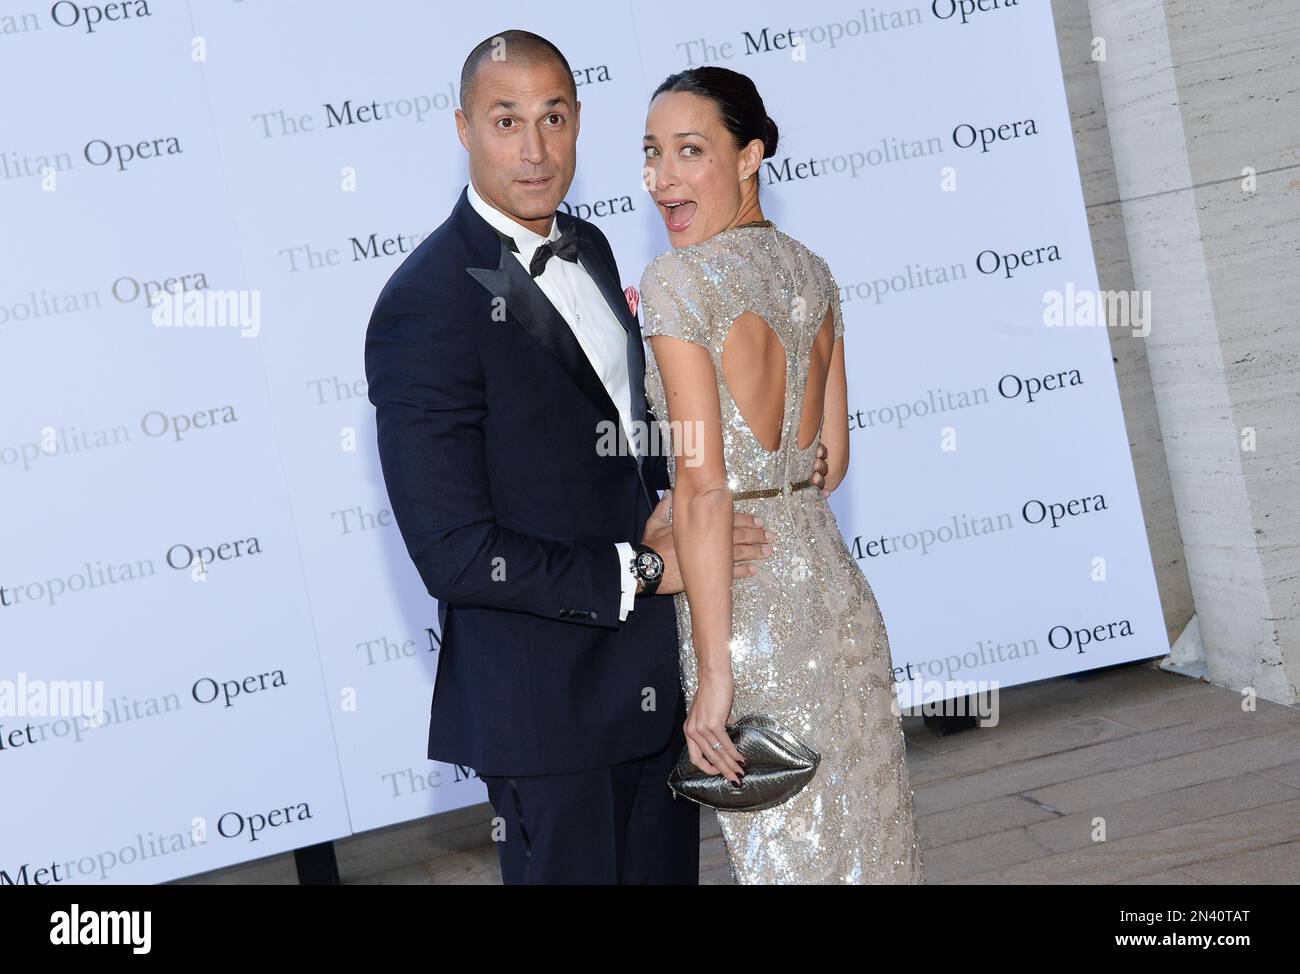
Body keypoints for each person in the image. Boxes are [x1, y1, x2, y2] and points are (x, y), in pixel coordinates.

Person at [364, 31, 827, 884]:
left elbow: (617, 434)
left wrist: (669, 499)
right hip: (545, 710)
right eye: (507, 122)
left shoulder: (596, 246)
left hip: (653, 686)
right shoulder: (422, 307)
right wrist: (647, 571)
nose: (535, 150)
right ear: (463, 128)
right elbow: (454, 552)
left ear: (579, 122)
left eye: (554, 118)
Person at [638, 65, 926, 884]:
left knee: (790, 860)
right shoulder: (813, 274)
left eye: (690, 150)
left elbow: (703, 487)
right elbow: (830, 460)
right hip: (835, 595)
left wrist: (717, 674)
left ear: (749, 156)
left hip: (749, 606)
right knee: (872, 847)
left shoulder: (677, 283)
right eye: (652, 153)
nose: (663, 178)